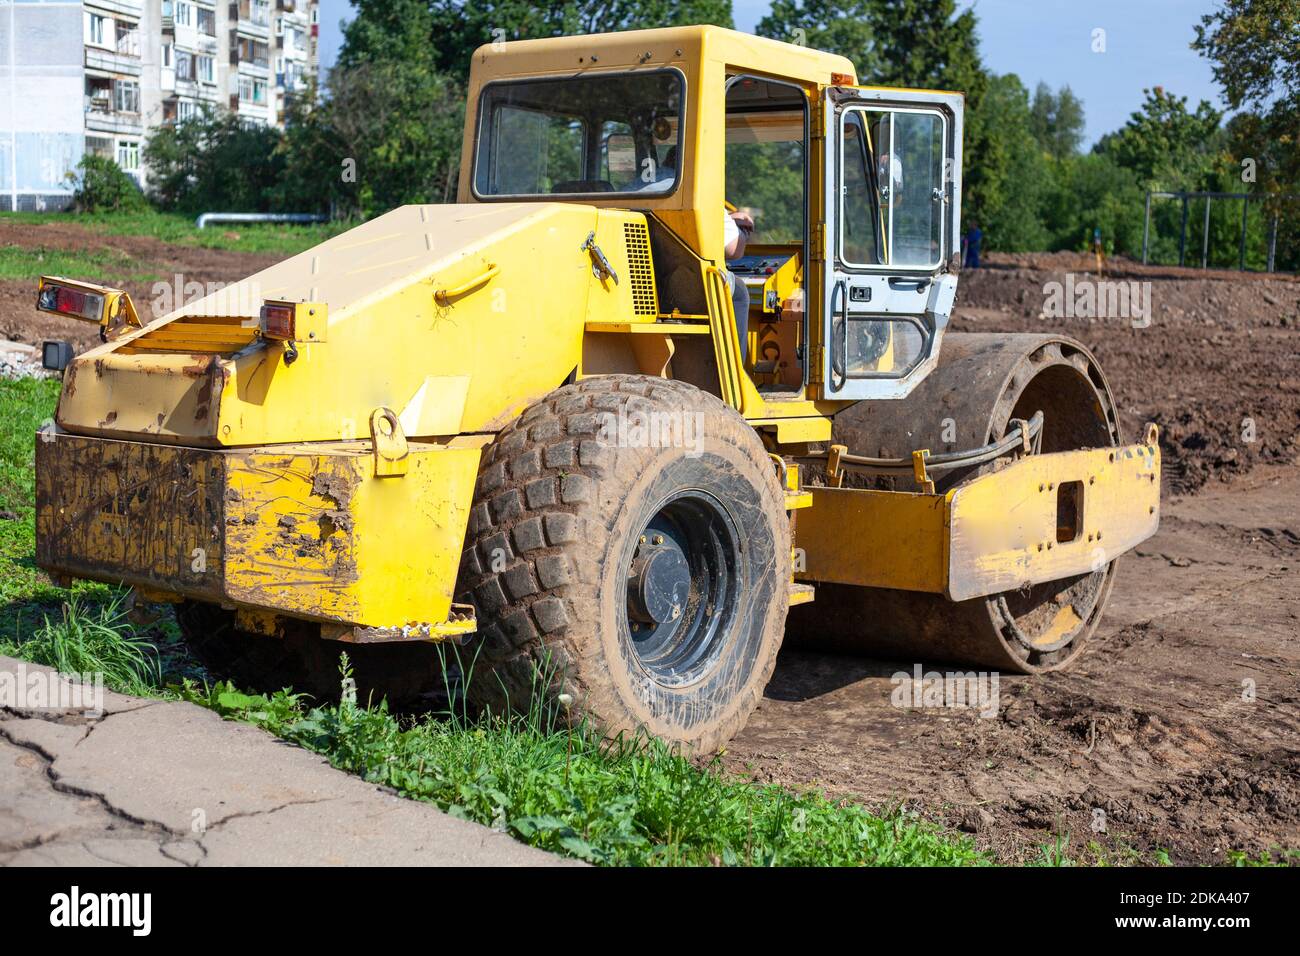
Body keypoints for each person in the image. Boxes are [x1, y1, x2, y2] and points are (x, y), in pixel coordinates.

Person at [723, 208, 754, 364]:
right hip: (694, 278)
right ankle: (735, 368)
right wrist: (740, 230)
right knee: (740, 292)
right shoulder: (704, 195)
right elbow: (734, 249)